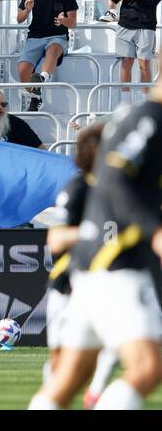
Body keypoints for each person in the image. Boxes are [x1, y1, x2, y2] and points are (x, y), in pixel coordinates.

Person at [29, 90, 162, 411]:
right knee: (147, 367)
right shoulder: (150, 119)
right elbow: (116, 178)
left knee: (70, 377)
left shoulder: (131, 116)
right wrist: (155, 232)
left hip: (91, 270)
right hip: (117, 264)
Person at [17, 0, 78, 111]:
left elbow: (73, 22)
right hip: (35, 37)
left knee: (53, 50)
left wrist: (63, 21)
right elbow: (19, 18)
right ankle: (36, 97)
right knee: (22, 70)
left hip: (58, 36)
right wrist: (28, 9)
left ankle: (41, 79)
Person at [108, 0, 161, 97]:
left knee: (144, 64)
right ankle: (125, 101)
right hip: (125, 24)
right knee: (126, 64)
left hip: (145, 25)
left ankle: (146, 101)